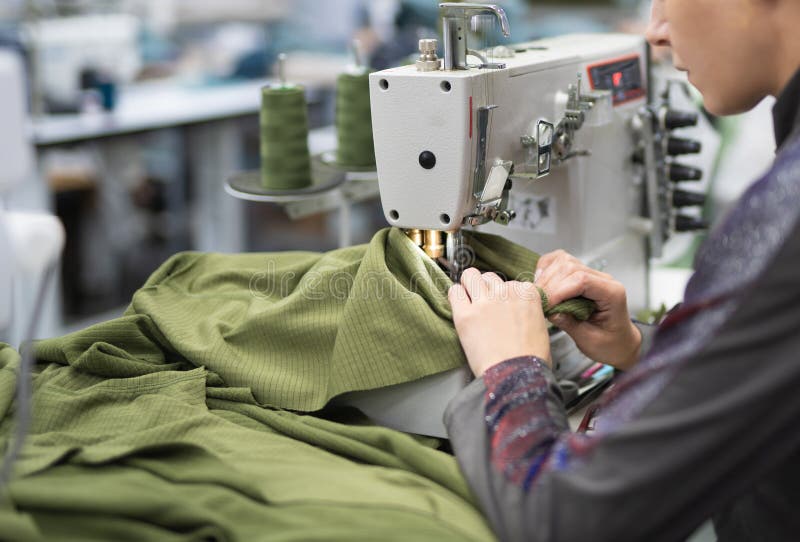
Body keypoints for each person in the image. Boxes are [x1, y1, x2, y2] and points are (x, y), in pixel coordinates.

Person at [444, 1, 800, 540]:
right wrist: (641, 347)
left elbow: (566, 518)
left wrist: (510, 368)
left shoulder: (784, 219)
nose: (654, 32)